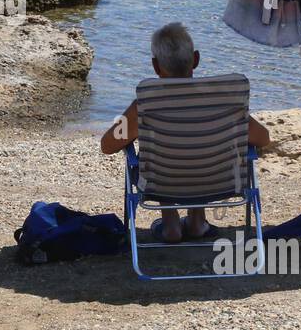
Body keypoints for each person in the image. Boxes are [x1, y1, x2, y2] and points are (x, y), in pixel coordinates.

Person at [99, 22, 270, 242]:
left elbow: (108, 144)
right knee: (200, 151)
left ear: (155, 66)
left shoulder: (144, 104)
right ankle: (197, 223)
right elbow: (263, 138)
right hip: (219, 182)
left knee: (161, 157)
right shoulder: (222, 101)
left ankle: (171, 225)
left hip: (160, 185)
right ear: (196, 59)